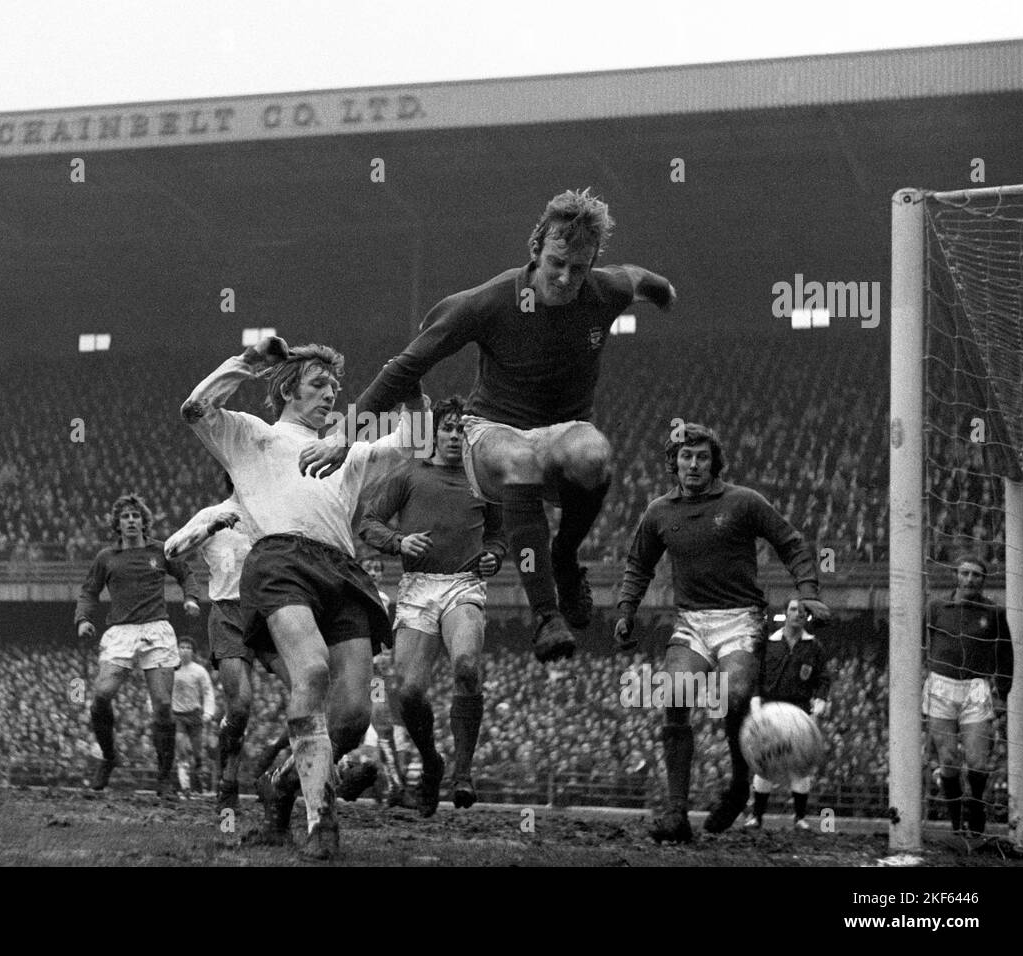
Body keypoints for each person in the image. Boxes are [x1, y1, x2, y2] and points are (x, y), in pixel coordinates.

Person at [298, 188, 676, 663]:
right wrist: (343, 435)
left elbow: (639, 279)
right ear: (536, 249)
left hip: (563, 433)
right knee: (520, 459)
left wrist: (662, 290)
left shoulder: (604, 290)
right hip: (490, 433)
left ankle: (564, 557)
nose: (564, 277)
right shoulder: (491, 301)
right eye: (556, 263)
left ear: (592, 263)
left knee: (594, 453)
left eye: (578, 269)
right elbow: (406, 366)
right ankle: (545, 615)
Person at [182, 334, 428, 859]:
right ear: (290, 390)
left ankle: (280, 781)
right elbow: (196, 408)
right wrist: (248, 363)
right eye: (319, 384)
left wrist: (411, 378)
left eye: (336, 387)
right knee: (312, 671)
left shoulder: (349, 451)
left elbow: (416, 438)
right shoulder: (255, 436)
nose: (330, 395)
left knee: (353, 715)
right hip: (280, 562)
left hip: (343, 570)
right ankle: (322, 821)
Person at [613, 423, 832, 843]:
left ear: (714, 462)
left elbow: (790, 541)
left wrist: (807, 591)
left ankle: (736, 787)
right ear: (673, 463)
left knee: (731, 695)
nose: (693, 465)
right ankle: (676, 812)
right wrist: (626, 610)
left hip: (741, 618)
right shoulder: (659, 511)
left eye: (701, 457)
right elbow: (638, 564)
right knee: (673, 694)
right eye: (685, 457)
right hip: (692, 620)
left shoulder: (743, 502)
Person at [358, 394, 507, 813]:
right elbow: (368, 522)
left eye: (464, 430)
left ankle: (463, 773)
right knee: (407, 692)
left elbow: (498, 536)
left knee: (467, 667)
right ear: (436, 432)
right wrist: (399, 541)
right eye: (449, 428)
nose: (456, 436)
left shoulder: (485, 482)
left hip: (463, 583)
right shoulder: (409, 475)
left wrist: (494, 555)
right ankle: (431, 761)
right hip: (417, 586)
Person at [165, 475, 292, 814]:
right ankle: (228, 781)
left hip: (270, 614)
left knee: (308, 689)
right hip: (229, 614)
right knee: (241, 704)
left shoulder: (275, 515)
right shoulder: (214, 514)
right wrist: (210, 529)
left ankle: (281, 771)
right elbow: (170, 550)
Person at [74, 493, 202, 798]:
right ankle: (108, 757)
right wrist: (83, 619)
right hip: (121, 632)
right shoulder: (106, 557)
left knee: (162, 705)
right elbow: (89, 592)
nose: (131, 521)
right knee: (101, 697)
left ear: (144, 521)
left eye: (135, 516)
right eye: (125, 517)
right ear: (117, 523)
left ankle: (164, 779)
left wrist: (191, 598)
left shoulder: (161, 550)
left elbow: (186, 574)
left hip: (157, 631)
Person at [924, 554, 1013, 835]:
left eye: (976, 575)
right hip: (941, 685)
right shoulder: (937, 607)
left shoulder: (994, 612)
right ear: (956, 576)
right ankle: (955, 823)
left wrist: (1003, 692)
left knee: (977, 761)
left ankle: (976, 810)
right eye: (965, 573)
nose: (970, 579)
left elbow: (1005, 654)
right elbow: (919, 643)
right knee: (948, 759)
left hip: (976, 687)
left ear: (983, 580)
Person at [744, 596, 831, 830]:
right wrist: (755, 705)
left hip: (799, 711)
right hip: (771, 710)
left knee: (800, 764)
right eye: (794, 609)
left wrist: (820, 701)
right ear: (786, 613)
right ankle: (756, 817)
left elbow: (823, 678)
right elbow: (756, 678)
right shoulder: (769, 643)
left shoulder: (814, 647)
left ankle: (800, 818)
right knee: (766, 763)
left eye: (803, 611)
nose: (799, 614)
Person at [171, 636, 216, 797]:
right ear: (177, 649)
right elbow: (160, 687)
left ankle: (202, 786)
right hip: (178, 715)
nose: (184, 650)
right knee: (181, 750)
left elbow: (208, 691)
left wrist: (208, 712)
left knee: (198, 753)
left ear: (193, 651)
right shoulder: (171, 668)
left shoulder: (199, 671)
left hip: (195, 715)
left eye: (188, 647)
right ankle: (185, 787)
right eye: (181, 647)